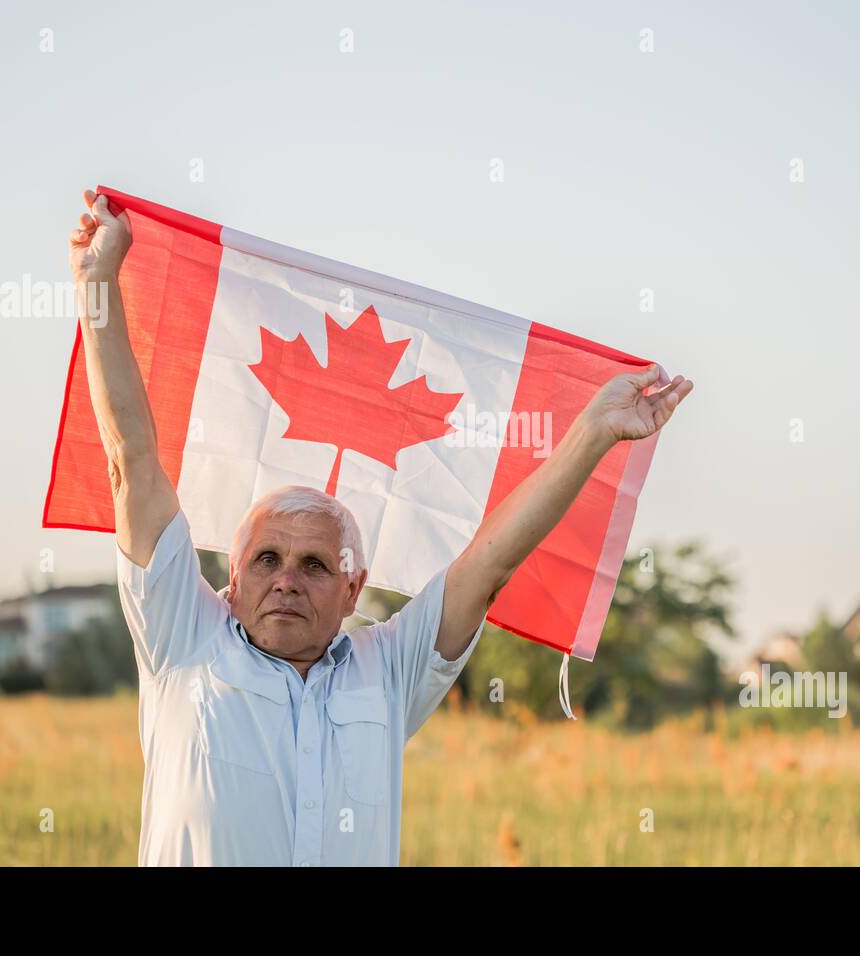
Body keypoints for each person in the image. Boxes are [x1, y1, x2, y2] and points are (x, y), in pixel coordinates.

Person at [67, 188, 694, 865]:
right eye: (267, 560)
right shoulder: (183, 638)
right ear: (231, 577)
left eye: (314, 566)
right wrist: (97, 284)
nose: (286, 581)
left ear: (353, 587)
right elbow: (130, 462)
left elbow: (488, 565)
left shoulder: (388, 672)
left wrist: (593, 434)